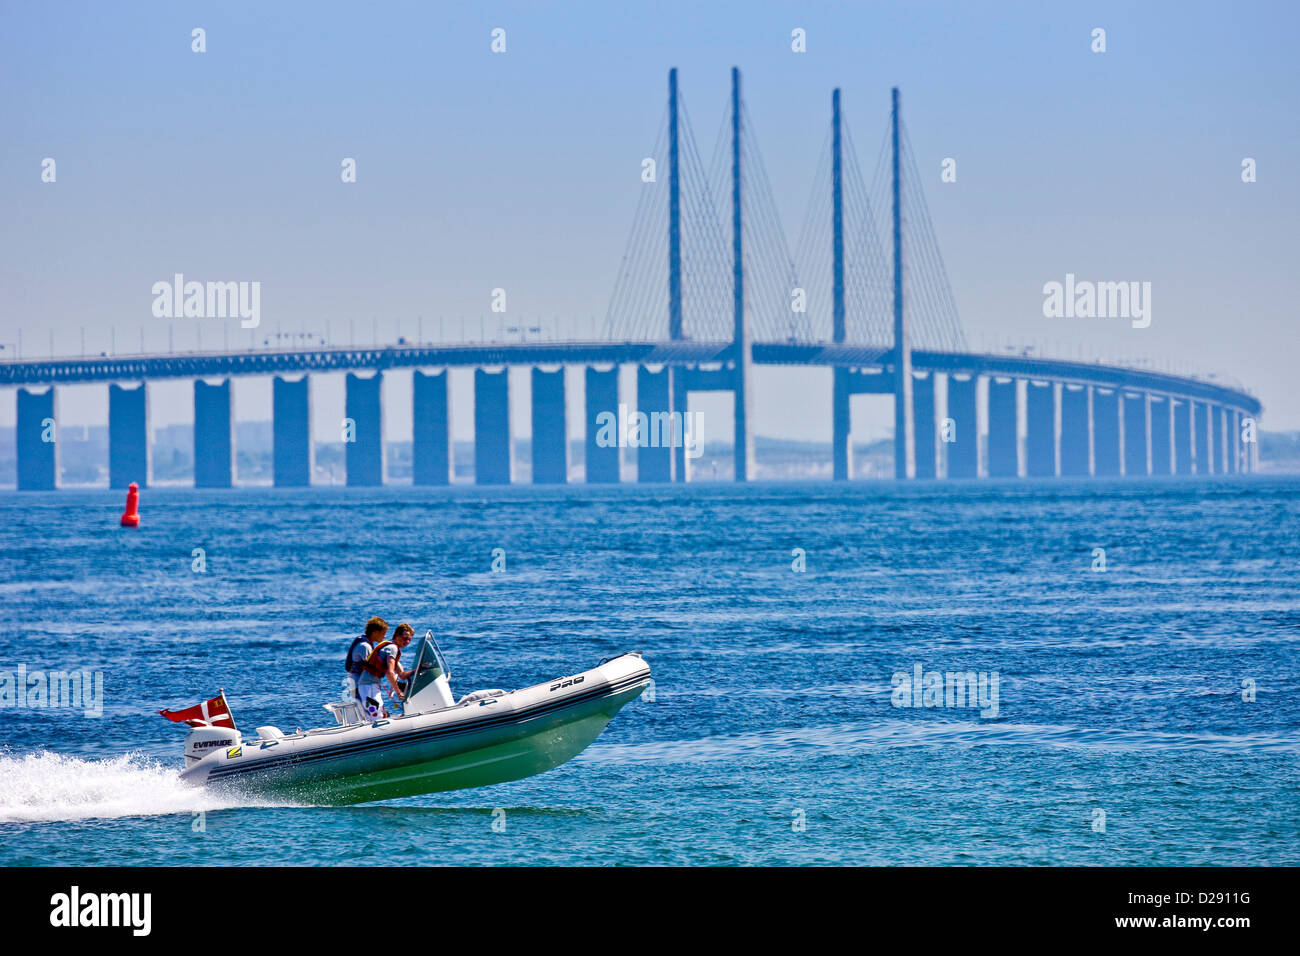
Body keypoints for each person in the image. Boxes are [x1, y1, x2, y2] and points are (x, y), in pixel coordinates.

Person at [356, 621, 414, 719]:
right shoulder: (392, 649)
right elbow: (390, 672)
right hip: (368, 687)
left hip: (371, 686)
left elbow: (402, 675)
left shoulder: (393, 649)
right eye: (405, 638)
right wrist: (398, 692)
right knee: (376, 716)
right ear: (397, 636)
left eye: (409, 639)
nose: (407, 641)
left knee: (382, 715)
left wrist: (419, 668)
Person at [345, 617, 388, 707]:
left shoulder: (365, 641)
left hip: (355, 683)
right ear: (375, 632)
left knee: (367, 709)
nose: (385, 636)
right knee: (369, 709)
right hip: (359, 685)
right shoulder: (365, 646)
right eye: (383, 633)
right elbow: (370, 668)